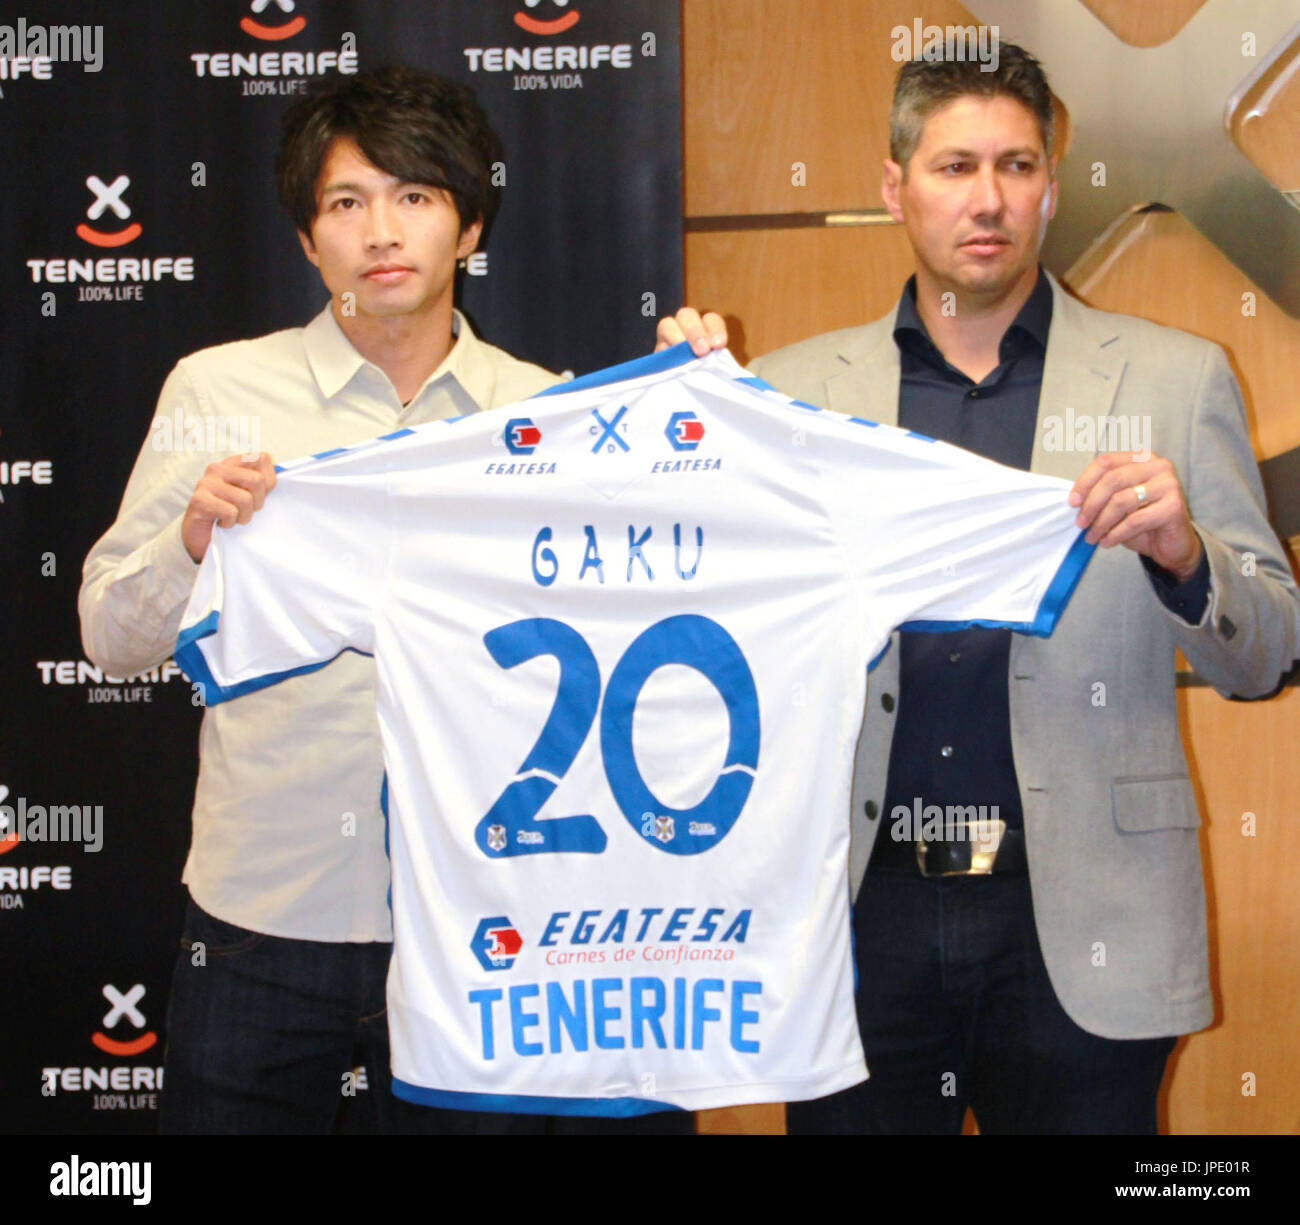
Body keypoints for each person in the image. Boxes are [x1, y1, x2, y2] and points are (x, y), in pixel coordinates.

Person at [660, 43, 1300, 1133]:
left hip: (1085, 915)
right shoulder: (793, 392)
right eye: (954, 166)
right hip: (858, 912)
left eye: (1016, 166)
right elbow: (702, 620)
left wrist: (1186, 558)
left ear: (1051, 188)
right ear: (893, 187)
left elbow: (1270, 652)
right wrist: (683, 434)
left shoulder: (1173, 376)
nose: (988, 199)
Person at [80, 63, 696, 1135]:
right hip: (260, 913)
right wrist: (190, 538)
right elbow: (107, 638)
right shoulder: (217, 392)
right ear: (307, 236)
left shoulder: (542, 412)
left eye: (414, 195)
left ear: (468, 228)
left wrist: (688, 419)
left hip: (480, 920)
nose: (380, 230)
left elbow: (639, 618)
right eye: (345, 200)